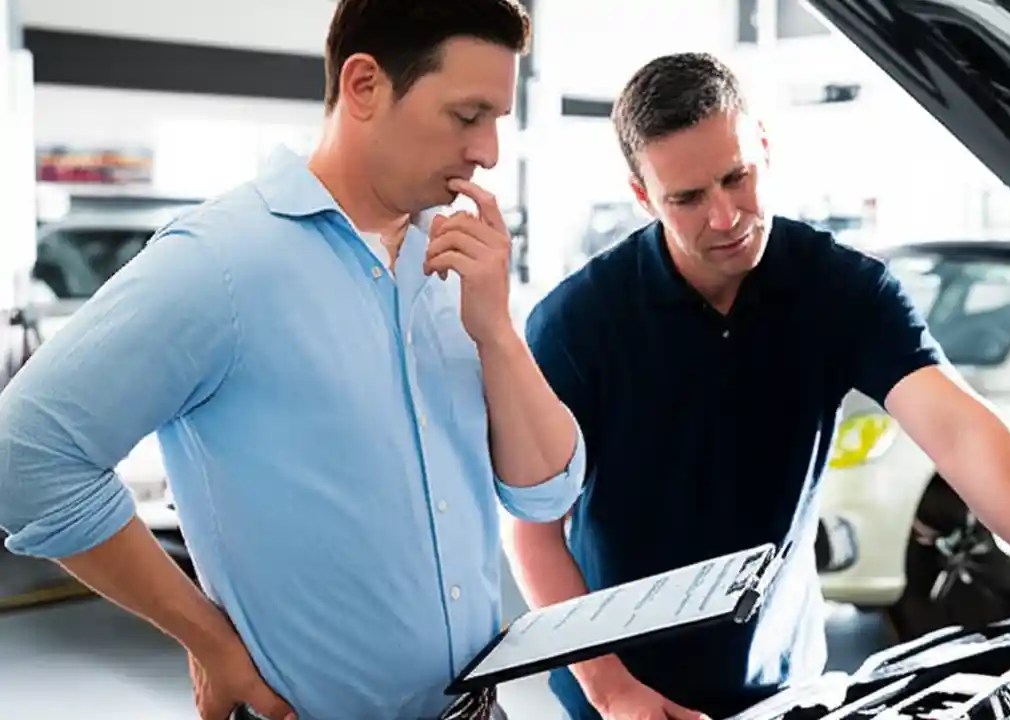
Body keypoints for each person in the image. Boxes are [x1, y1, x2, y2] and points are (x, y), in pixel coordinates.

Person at [507, 52, 1010, 720]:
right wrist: (612, 691)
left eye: (737, 177)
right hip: (623, 691)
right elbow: (534, 532)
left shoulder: (840, 290)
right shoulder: (576, 325)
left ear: (763, 145)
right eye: (688, 198)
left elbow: (957, 431)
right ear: (642, 196)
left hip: (787, 681)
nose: (726, 216)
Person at [0, 2, 585, 719]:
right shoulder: (221, 261)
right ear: (365, 86)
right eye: (468, 117)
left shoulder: (456, 258)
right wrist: (207, 638)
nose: (489, 151)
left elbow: (545, 494)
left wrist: (495, 329)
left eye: (498, 118)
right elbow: (24, 456)